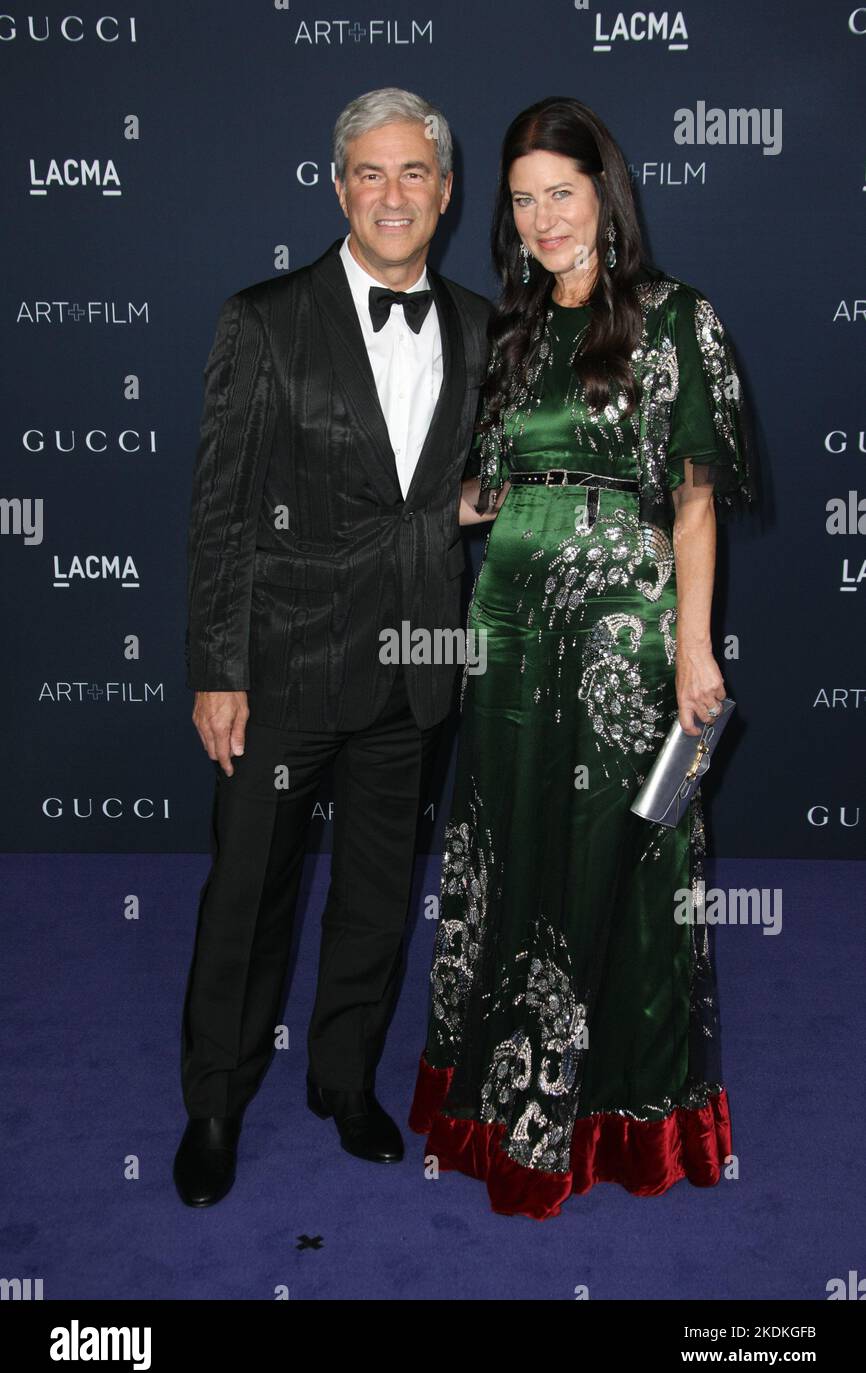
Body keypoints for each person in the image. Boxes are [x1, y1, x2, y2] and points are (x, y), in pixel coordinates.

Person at [408, 96, 756, 1220]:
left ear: (604, 193)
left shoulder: (671, 318)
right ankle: (493, 1100)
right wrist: (381, 520)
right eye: (522, 199)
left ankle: (618, 1118)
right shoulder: (508, 327)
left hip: (620, 634)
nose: (542, 216)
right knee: (506, 849)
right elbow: (485, 490)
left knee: (616, 861)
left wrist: (692, 651)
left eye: (561, 191)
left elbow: (694, 499)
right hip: (507, 626)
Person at [175, 88, 491, 1207]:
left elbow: (462, 490)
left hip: (413, 659)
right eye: (370, 171)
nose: (392, 192)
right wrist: (218, 667)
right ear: (338, 185)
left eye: (415, 173)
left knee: (371, 893)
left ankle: (343, 1078)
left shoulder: (478, 324)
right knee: (246, 893)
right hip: (283, 665)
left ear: (446, 194)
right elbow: (221, 512)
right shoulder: (263, 319)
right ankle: (214, 1100)